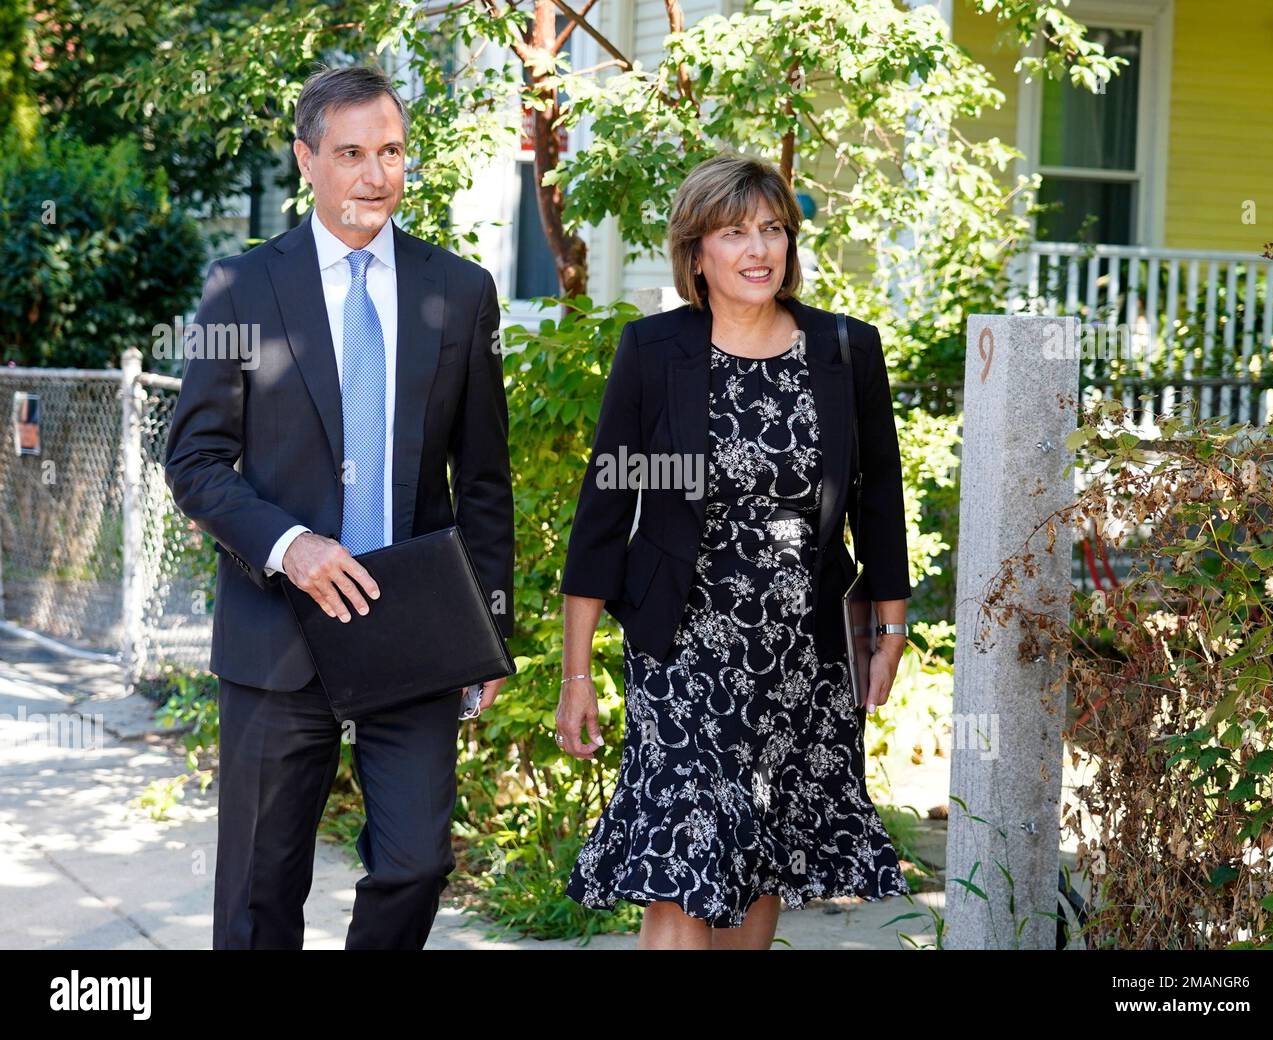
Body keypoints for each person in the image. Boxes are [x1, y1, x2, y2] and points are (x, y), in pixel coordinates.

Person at [163, 64, 513, 949]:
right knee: (257, 893)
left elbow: (483, 482)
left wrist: (486, 632)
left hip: (414, 631)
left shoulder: (459, 291)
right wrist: (293, 546)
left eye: (391, 152)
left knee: (416, 863)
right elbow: (195, 462)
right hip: (278, 624)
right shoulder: (240, 287)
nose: (375, 174)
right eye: (351, 152)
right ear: (305, 160)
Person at [556, 152, 912, 950]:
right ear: (698, 253)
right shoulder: (653, 351)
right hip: (682, 652)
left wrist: (890, 634)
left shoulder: (847, 349)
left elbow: (879, 502)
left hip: (801, 653)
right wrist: (576, 676)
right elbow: (603, 518)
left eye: (773, 230)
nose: (759, 250)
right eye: (734, 233)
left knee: (759, 860)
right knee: (681, 869)